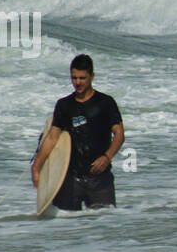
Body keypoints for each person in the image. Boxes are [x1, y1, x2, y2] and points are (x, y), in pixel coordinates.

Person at [31, 54, 124, 210]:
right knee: (67, 228)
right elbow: (52, 138)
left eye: (82, 78)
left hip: (99, 179)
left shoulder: (105, 103)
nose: (77, 82)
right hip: (69, 178)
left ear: (92, 77)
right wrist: (36, 166)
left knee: (104, 226)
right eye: (74, 78)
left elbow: (119, 134)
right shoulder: (64, 105)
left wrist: (107, 157)